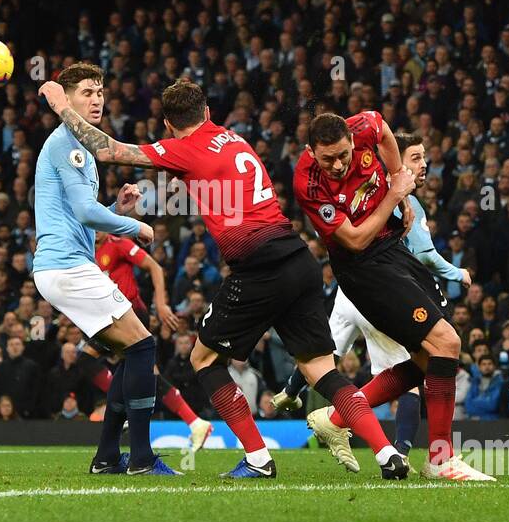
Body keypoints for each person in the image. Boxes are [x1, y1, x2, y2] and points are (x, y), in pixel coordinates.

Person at [41, 77, 406, 479]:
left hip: (259, 267)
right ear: (209, 113)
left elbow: (106, 149)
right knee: (319, 367)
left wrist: (62, 106)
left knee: (204, 359)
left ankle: (258, 458)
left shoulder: (182, 148)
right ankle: (387, 452)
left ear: (167, 125)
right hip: (299, 259)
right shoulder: (232, 138)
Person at [293, 111, 493, 480]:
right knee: (447, 343)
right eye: (327, 159)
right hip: (363, 268)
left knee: (426, 361)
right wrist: (397, 195)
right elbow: (353, 239)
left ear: (352, 141)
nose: (337, 165)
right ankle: (439, 459)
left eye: (343, 155)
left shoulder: (364, 126)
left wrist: (399, 183)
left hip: (394, 250)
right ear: (311, 152)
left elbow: (384, 130)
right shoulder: (307, 183)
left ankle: (337, 417)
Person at [31, 64, 175, 476]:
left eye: (100, 92)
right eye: (87, 93)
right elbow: (82, 210)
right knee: (144, 346)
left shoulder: (79, 147)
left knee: (131, 353)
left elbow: (80, 218)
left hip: (63, 266)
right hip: (67, 267)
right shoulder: (68, 145)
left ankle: (108, 457)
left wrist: (116, 210)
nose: (97, 100)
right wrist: (137, 226)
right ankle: (143, 459)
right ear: (68, 100)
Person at [88, 230, 212, 449]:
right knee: (141, 373)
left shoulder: (119, 245)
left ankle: (131, 411)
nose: (96, 230)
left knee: (86, 361)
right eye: (91, 225)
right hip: (110, 317)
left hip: (131, 313)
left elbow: (154, 267)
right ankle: (195, 422)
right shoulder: (86, 252)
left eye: (99, 225)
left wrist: (162, 304)